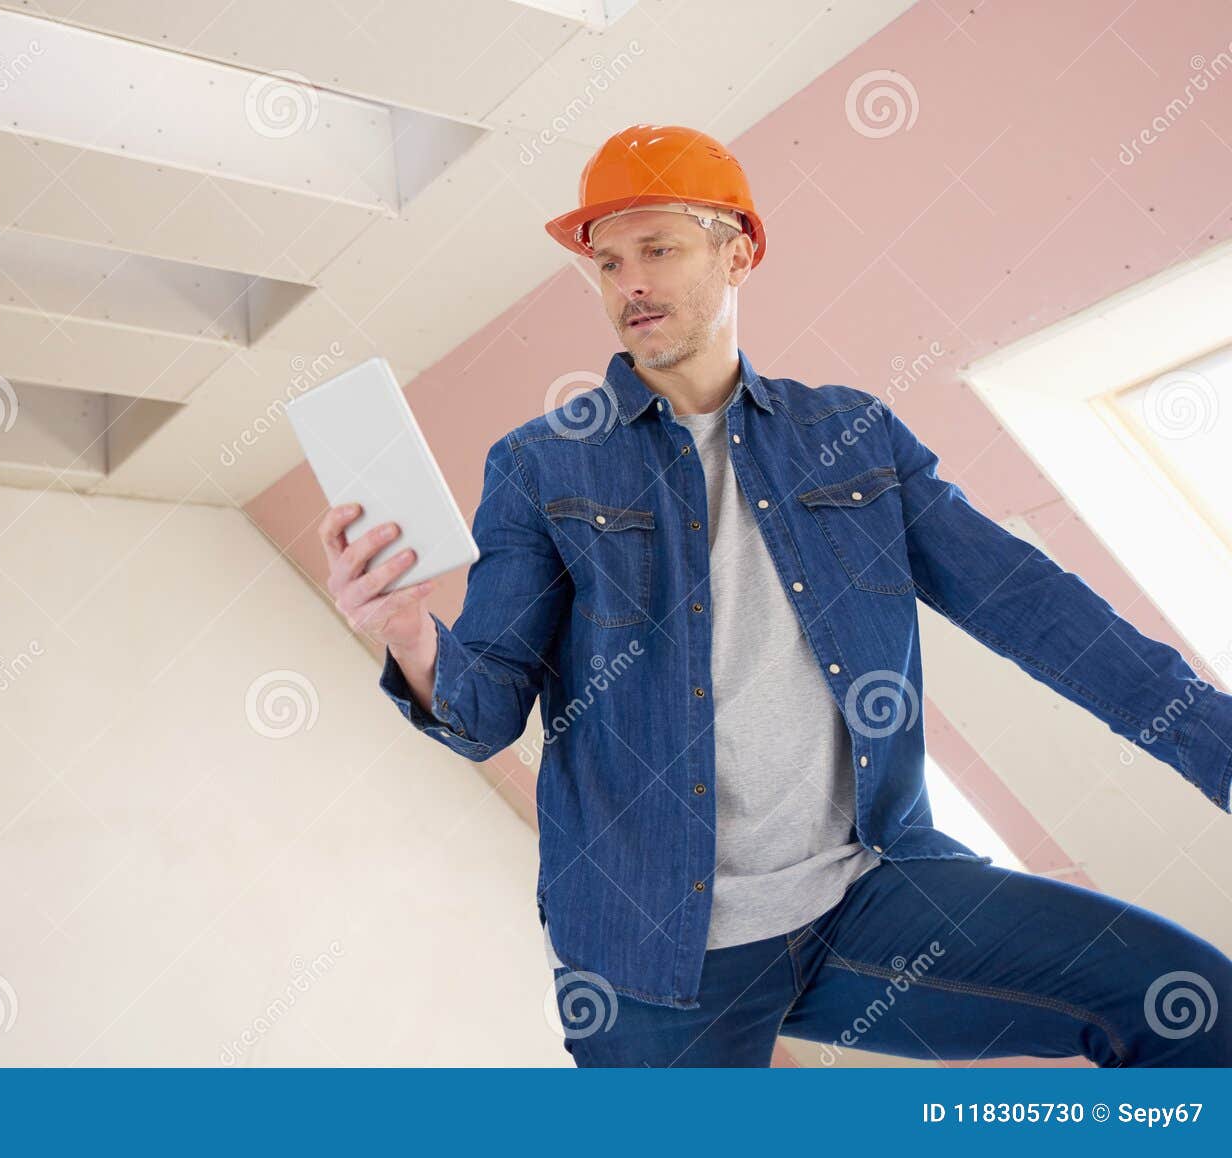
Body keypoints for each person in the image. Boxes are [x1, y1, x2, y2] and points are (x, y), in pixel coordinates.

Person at [316, 124, 1232, 1067]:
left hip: (864, 894)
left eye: (658, 250)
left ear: (739, 250)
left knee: (1190, 1001)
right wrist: (410, 636)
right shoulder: (543, 463)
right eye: (606, 263)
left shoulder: (851, 435)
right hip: (654, 954)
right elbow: (486, 708)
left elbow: (1038, 609)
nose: (628, 284)